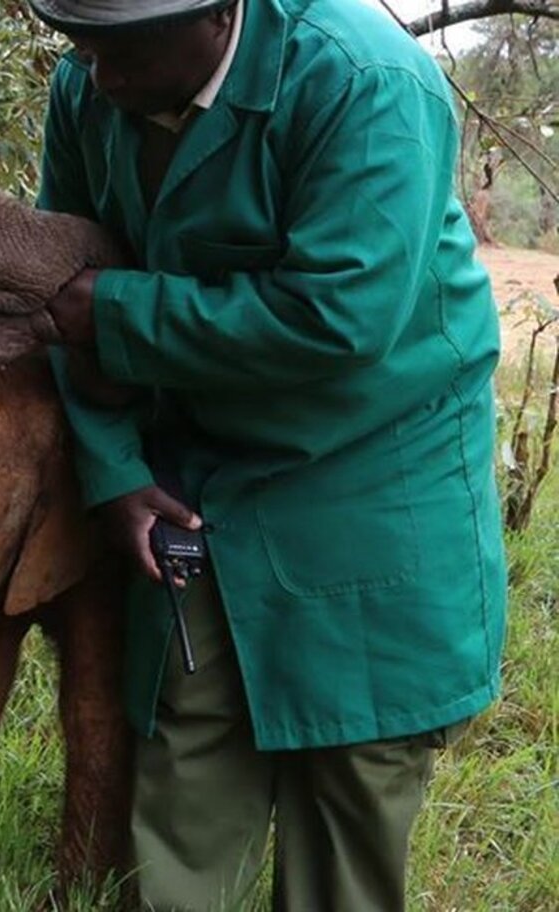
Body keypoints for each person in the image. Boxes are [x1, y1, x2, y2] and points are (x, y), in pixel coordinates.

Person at [27, 1, 506, 909]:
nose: (93, 70)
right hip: (194, 484)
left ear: (218, 15)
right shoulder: (91, 86)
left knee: (351, 785)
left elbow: (341, 319)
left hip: (371, 473)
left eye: (117, 44)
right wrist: (117, 471)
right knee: (183, 765)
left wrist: (121, 313)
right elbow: (60, 293)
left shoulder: (364, 82)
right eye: (78, 41)